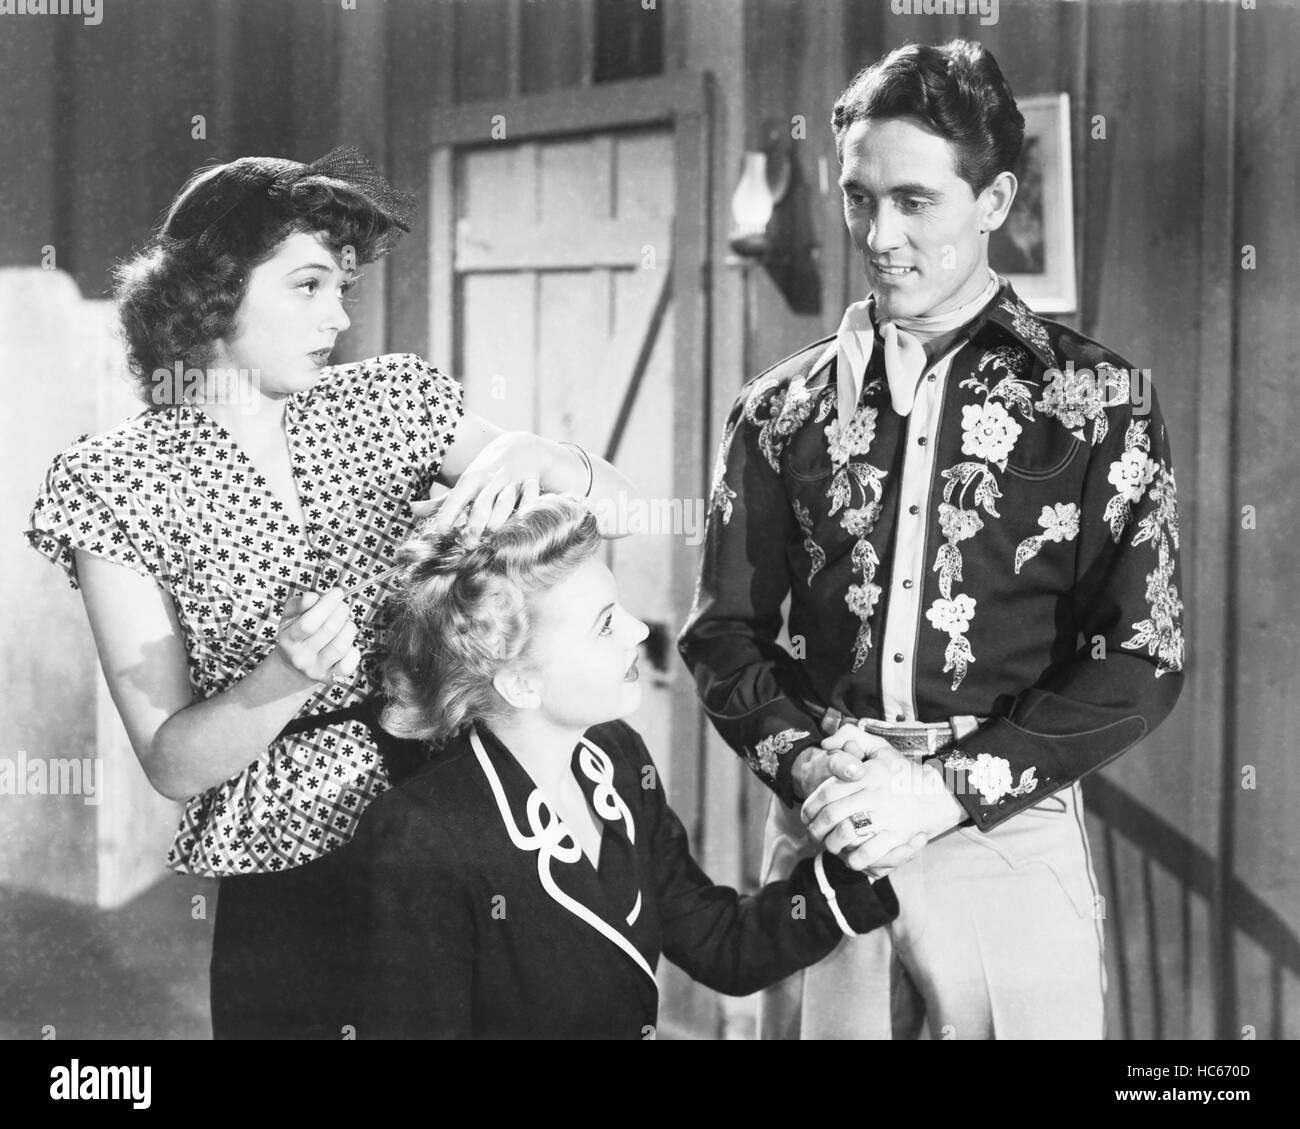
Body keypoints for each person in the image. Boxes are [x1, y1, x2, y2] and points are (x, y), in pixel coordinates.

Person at [25, 147, 638, 1039]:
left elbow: (618, 505)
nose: (341, 316)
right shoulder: (113, 484)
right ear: (215, 287)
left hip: (474, 815)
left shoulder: (387, 403)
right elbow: (171, 760)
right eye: (308, 287)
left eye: (342, 289)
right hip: (297, 877)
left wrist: (536, 456)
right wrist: (283, 677)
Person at [678, 40, 1184, 1039]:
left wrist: (946, 792)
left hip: (1004, 833)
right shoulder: (777, 410)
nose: (880, 235)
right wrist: (818, 769)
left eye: (915, 202)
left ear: (992, 203)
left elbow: (1141, 656)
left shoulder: (1097, 401)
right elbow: (722, 636)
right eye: (860, 199)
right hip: (832, 829)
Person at [348, 495, 899, 1039]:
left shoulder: (614, 757)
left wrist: (860, 856)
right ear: (520, 683)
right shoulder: (421, 836)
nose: (639, 631)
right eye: (606, 625)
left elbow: (721, 945)